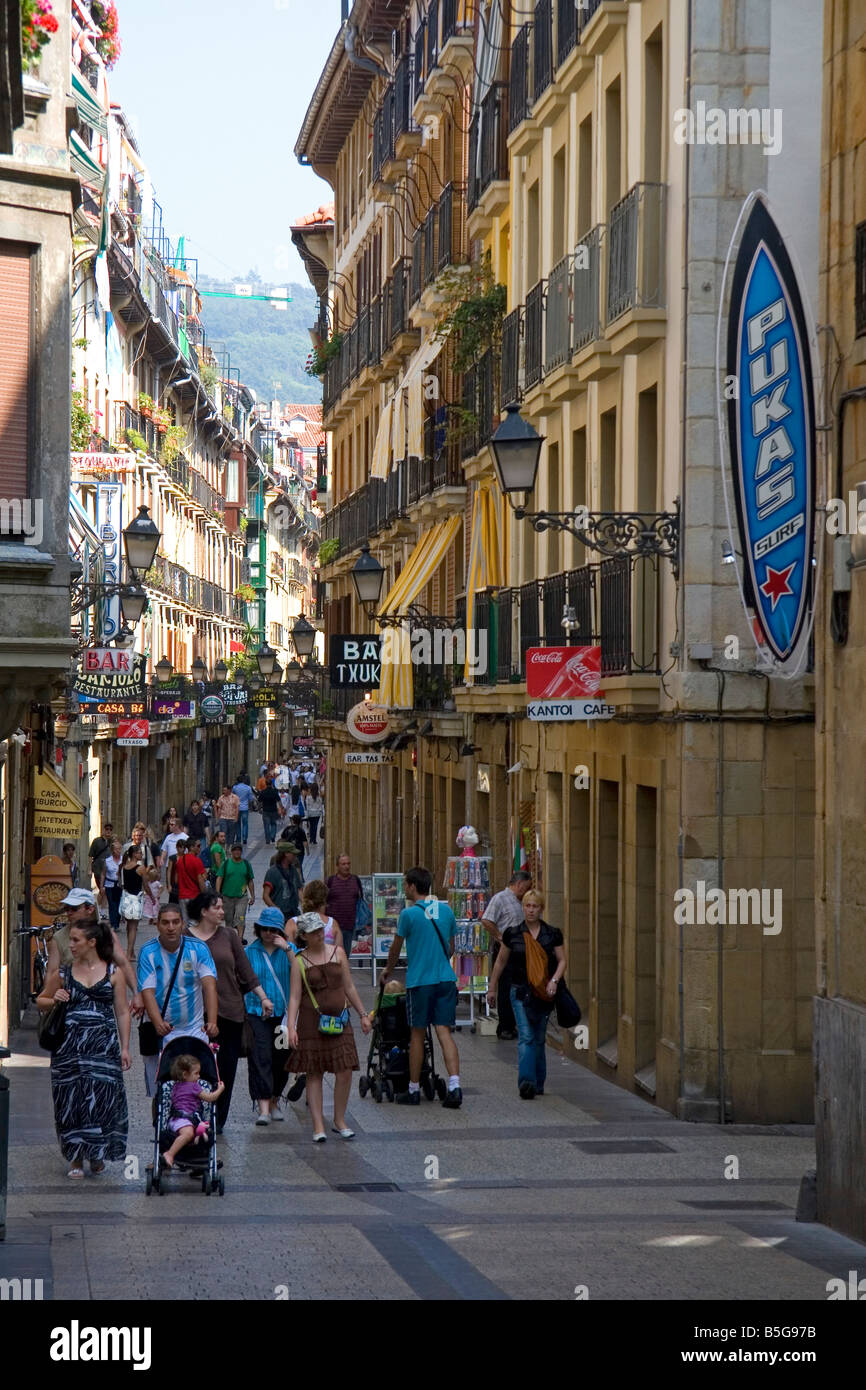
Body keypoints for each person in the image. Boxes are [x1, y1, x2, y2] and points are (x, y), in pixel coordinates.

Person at [37, 916, 130, 1178]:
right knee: (71, 1100)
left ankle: (97, 1153)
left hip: (104, 1050)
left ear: (92, 942)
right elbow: (41, 1001)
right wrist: (52, 998)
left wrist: (125, 1048)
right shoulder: (63, 973)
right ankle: (76, 1157)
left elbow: (122, 1011)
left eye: (76, 940)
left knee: (103, 1099)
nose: (71, 944)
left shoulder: (113, 972)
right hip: (69, 1050)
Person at [185, 890, 272, 1132]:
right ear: (204, 911)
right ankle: (193, 1116)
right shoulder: (186, 938)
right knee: (195, 1068)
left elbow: (245, 970)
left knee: (225, 1071)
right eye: (218, 907)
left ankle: (217, 1121)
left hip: (230, 1012)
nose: (223, 912)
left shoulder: (230, 936)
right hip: (195, 1014)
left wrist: (263, 997)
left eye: (223, 907)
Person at [381, 866, 462, 1109]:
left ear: (414, 886)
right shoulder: (446, 911)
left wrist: (388, 969)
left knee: (417, 1034)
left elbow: (395, 949)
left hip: (421, 981)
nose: (405, 888)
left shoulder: (408, 915)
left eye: (406, 884)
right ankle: (455, 1086)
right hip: (445, 979)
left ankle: (413, 1089)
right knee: (443, 1031)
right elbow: (451, 947)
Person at [286, 911, 371, 1142]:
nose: (319, 935)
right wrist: (291, 1027)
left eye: (320, 930)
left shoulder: (338, 953)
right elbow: (294, 996)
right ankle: (317, 1125)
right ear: (303, 936)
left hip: (339, 1019)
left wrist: (363, 1014)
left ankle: (339, 1119)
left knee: (344, 1070)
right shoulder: (299, 961)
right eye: (313, 932)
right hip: (310, 1021)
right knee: (314, 1072)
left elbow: (349, 987)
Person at [486, 888, 565, 1099]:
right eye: (527, 906)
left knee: (539, 1038)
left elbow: (562, 960)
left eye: (535, 906)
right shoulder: (513, 934)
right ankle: (526, 1083)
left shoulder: (552, 934)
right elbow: (501, 961)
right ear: (523, 908)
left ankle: (538, 1082)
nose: (530, 910)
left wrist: (555, 981)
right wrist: (492, 987)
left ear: (541, 909)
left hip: (543, 994)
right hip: (519, 991)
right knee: (527, 1036)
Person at [137, 903, 219, 1097]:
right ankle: (160, 1122)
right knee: (160, 1088)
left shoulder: (198, 949)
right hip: (161, 1030)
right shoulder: (148, 952)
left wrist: (213, 1022)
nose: (170, 927)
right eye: (165, 923)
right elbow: (147, 991)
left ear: (183, 924)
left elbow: (209, 986)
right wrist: (157, 1023)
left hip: (194, 1028)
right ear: (157, 925)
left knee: (198, 1082)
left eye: (175, 922)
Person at [245, 905, 298, 1123]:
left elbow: (301, 974)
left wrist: (287, 949)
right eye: (265, 928)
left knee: (281, 1059)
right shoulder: (249, 952)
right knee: (260, 1058)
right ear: (258, 929)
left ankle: (275, 1099)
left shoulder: (290, 950)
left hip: (284, 1014)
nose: (269, 933)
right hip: (257, 1013)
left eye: (273, 929)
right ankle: (263, 1106)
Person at [47, 888, 141, 1012]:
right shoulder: (59, 937)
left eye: (74, 909)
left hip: (100, 1004)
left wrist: (136, 993)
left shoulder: (106, 935)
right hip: (70, 1005)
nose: (69, 912)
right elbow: (52, 971)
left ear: (90, 909)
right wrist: (49, 1000)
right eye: (67, 909)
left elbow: (123, 963)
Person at [481, 870, 533, 1042]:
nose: (526, 891)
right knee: (505, 987)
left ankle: (516, 1023)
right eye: (526, 887)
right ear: (519, 884)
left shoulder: (522, 902)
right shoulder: (500, 898)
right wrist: (500, 936)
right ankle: (505, 1027)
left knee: (519, 985)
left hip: (521, 950)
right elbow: (487, 920)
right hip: (506, 949)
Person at [162, 1054, 225, 1168]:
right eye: (196, 1073)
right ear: (185, 1075)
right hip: (183, 1120)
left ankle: (201, 1158)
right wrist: (220, 1090)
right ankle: (169, 1154)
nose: (199, 1076)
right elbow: (210, 1098)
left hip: (177, 1119)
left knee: (198, 1132)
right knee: (189, 1134)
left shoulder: (176, 1085)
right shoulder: (193, 1086)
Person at [325, 855, 364, 958]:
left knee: (345, 956)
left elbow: (360, 900)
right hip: (333, 927)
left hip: (349, 926)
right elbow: (323, 901)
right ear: (337, 866)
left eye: (348, 863)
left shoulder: (355, 880)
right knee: (332, 956)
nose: (347, 866)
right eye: (343, 864)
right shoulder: (330, 881)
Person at [216, 842, 256, 936]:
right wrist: (218, 894)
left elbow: (250, 880)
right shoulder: (226, 864)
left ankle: (240, 940)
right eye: (235, 850)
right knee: (228, 921)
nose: (237, 852)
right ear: (231, 852)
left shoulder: (246, 864)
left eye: (239, 850)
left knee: (240, 918)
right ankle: (229, 940)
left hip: (242, 897)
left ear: (241, 852)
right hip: (227, 897)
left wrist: (252, 896)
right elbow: (219, 878)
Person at [287, 879, 339, 948]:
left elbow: (288, 953)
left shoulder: (293, 923)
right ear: (325, 899)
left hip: (299, 958)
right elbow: (339, 954)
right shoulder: (332, 923)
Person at [119, 845, 146, 961]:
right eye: (140, 852)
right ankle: (129, 953)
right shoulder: (140, 868)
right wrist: (152, 897)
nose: (141, 854)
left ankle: (131, 951)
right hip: (136, 898)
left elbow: (121, 882)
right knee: (134, 927)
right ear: (134, 854)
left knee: (129, 926)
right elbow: (145, 884)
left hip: (126, 898)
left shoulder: (124, 867)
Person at [263, 848, 302, 924]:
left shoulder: (293, 870)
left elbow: (299, 889)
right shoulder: (272, 872)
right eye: (293, 854)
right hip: (279, 915)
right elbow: (265, 895)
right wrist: (275, 909)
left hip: (293, 913)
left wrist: (304, 903)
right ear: (286, 854)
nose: (295, 856)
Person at [95, 837, 124, 933]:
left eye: (120, 849)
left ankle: (117, 922)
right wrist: (102, 886)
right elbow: (103, 874)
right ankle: (113, 924)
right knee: (112, 904)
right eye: (116, 849)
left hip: (120, 885)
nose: (118, 851)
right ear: (112, 851)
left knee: (119, 904)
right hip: (109, 885)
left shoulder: (123, 860)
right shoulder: (107, 861)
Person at [177, 836, 207, 921]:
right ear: (191, 847)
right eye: (198, 846)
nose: (200, 848)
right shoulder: (197, 861)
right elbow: (200, 880)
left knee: (185, 923)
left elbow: (177, 879)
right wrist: (205, 894)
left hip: (182, 896)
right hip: (194, 896)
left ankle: (185, 935)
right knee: (195, 922)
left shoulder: (180, 860)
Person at [232, 774, 255, 847]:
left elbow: (232, 797)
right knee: (245, 823)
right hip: (245, 808)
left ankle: (238, 838)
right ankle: (244, 838)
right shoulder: (248, 788)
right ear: (243, 780)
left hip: (237, 808)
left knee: (237, 823)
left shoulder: (235, 788)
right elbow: (251, 798)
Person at [258, 778, 282, 845]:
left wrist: (259, 809)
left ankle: (267, 839)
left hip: (265, 811)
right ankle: (272, 836)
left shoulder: (263, 792)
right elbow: (279, 801)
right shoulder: (275, 791)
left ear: (266, 784)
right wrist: (281, 807)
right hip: (274, 810)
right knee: (273, 824)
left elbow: (260, 802)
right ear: (271, 784)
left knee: (266, 826)